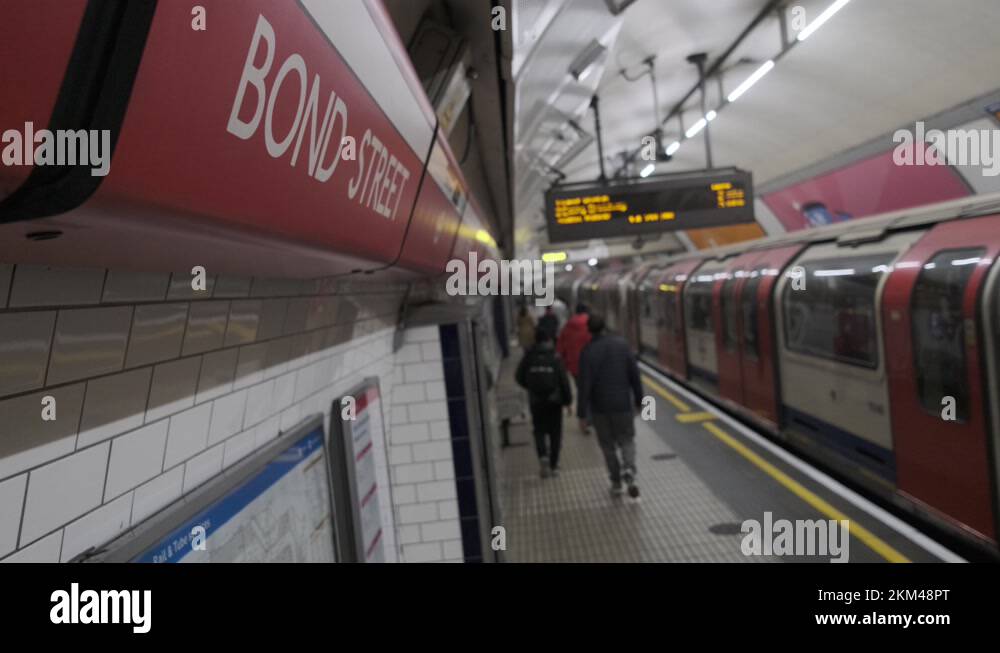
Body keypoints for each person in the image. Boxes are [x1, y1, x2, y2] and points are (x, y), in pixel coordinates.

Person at [576, 314, 643, 498]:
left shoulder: (587, 352)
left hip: (600, 409)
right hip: (622, 405)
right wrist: (639, 401)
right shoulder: (622, 345)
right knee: (627, 440)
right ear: (605, 327)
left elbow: (584, 386)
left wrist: (582, 415)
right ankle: (629, 469)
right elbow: (635, 377)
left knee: (607, 446)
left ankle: (616, 482)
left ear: (589, 331)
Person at [516, 327, 573, 478]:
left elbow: (518, 376)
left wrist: (531, 387)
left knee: (539, 430)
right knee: (555, 433)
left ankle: (543, 457)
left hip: (536, 402)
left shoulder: (528, 356)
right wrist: (568, 401)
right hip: (554, 402)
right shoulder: (555, 357)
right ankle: (554, 466)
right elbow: (563, 380)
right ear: (548, 340)